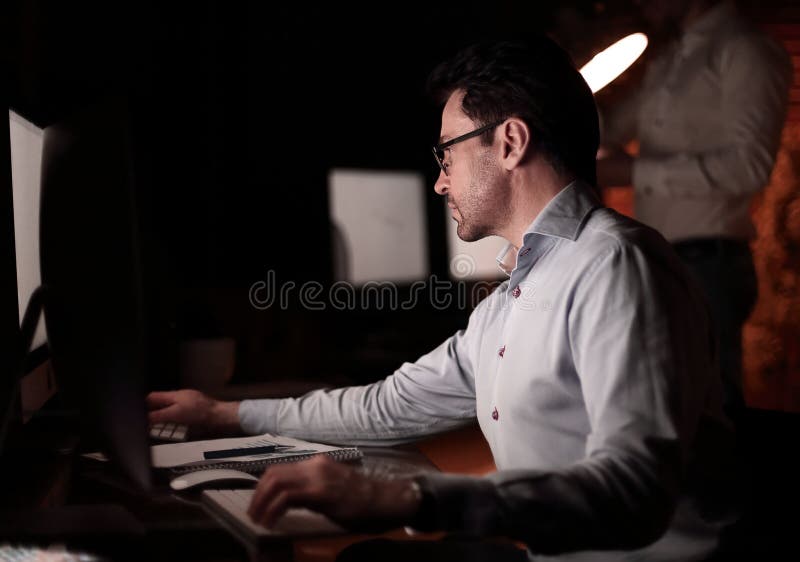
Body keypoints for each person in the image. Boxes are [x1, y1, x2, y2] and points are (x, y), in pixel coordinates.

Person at [149, 36, 738, 560]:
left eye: (447, 152)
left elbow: (637, 490)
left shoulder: (616, 264)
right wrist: (223, 414)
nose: (439, 181)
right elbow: (388, 406)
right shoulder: (513, 297)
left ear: (510, 142)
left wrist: (408, 497)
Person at [596, 0, 792, 418]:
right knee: (657, 407)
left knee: (708, 412)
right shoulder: (670, 55)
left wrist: (634, 171)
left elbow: (749, 167)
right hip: (656, 261)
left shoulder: (745, 49)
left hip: (708, 264)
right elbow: (607, 130)